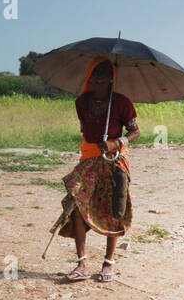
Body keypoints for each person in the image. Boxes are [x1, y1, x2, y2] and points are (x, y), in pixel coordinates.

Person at [58, 58, 139, 282]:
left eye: (105, 75)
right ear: (90, 78)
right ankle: (81, 264)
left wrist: (117, 142)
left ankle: (108, 263)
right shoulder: (81, 103)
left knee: (115, 208)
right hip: (90, 158)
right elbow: (86, 130)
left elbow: (135, 131)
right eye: (97, 75)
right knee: (77, 205)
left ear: (112, 79)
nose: (100, 79)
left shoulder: (122, 102)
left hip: (114, 159)